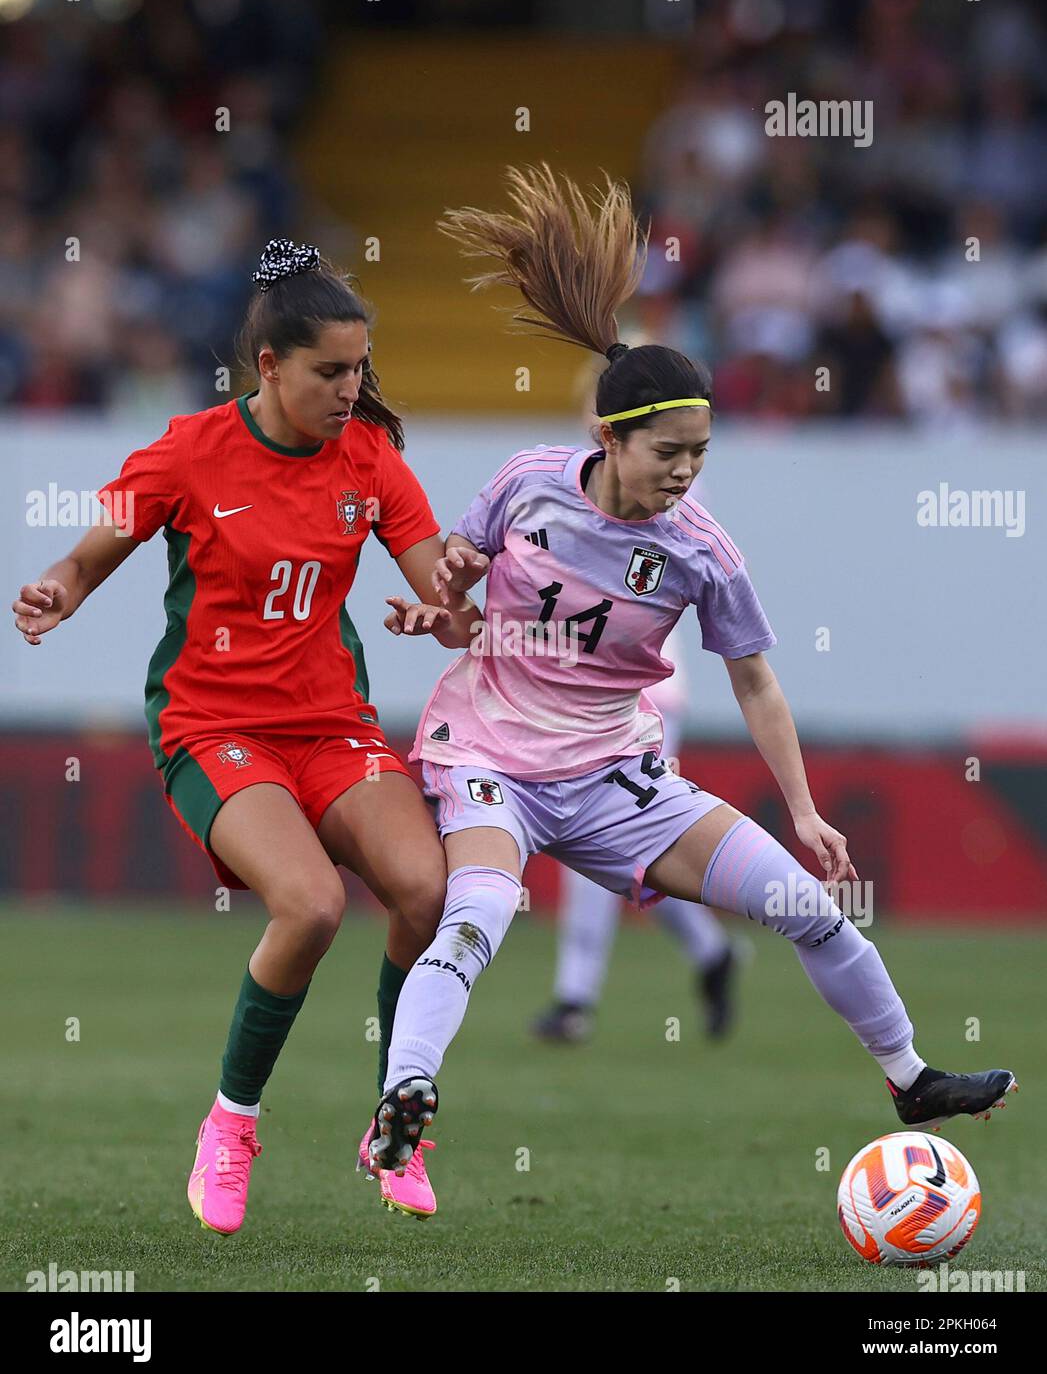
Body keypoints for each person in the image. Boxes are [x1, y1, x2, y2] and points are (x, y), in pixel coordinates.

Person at [362, 167, 1016, 1204]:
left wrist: (801, 807)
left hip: (617, 773)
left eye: (700, 454)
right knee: (478, 912)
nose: (684, 473)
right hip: (490, 758)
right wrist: (437, 598)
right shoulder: (528, 484)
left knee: (808, 905)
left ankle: (911, 1077)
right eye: (668, 452)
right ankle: (403, 1100)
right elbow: (458, 572)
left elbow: (754, 679)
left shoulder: (702, 549)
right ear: (608, 438)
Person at [12, 238, 480, 1235]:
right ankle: (231, 1124)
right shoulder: (189, 450)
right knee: (308, 904)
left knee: (426, 890)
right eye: (328, 371)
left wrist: (449, 610)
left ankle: (396, 1117)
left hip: (329, 724)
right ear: (268, 366)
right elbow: (92, 556)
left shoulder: (371, 461)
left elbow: (439, 586)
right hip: (213, 725)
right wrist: (57, 589)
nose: (349, 389)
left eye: (358, 370)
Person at [532, 625, 742, 1043]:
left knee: (593, 836)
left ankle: (575, 999)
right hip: (588, 687)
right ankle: (712, 950)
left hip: (642, 688)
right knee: (635, 856)